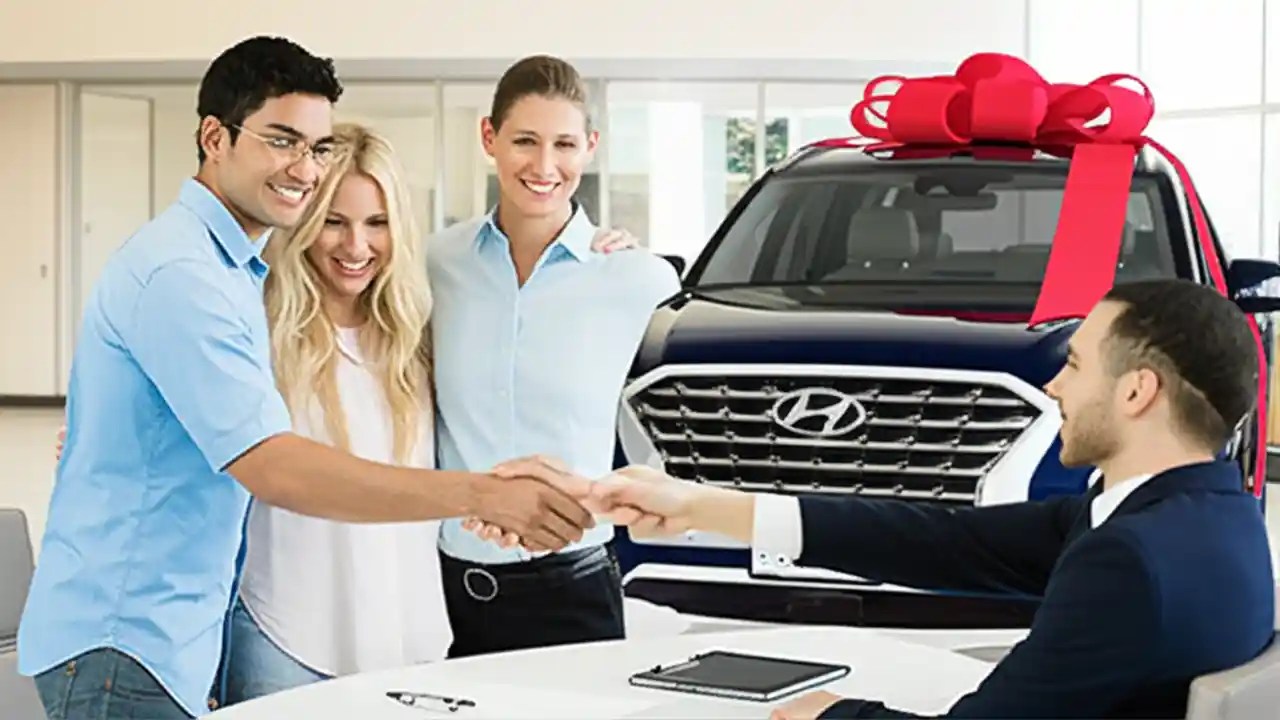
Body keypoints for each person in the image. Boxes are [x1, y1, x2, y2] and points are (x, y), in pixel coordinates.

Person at [19, 37, 594, 720]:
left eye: (317, 148)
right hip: (130, 639)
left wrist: (593, 246)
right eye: (282, 141)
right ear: (215, 137)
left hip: (175, 637)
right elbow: (276, 468)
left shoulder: (234, 268)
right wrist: (482, 495)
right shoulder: (187, 277)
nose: (304, 168)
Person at [587, 278, 1277, 719]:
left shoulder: (1129, 560)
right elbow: (939, 540)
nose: (1055, 389)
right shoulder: (1211, 518)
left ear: (1136, 392)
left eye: (1072, 365)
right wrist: (701, 506)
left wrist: (831, 716)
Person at [220, 122, 637, 704]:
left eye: (377, 223)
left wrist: (597, 249)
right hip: (287, 635)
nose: (356, 247)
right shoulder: (258, 327)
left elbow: (516, 340)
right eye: (333, 222)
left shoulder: (416, 328)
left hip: (410, 642)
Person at [428, 54, 682, 659]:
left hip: (573, 588)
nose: (545, 166)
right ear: (489, 138)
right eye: (524, 141)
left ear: (590, 147)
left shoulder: (638, 279)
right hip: (441, 591)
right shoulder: (437, 262)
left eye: (565, 144)